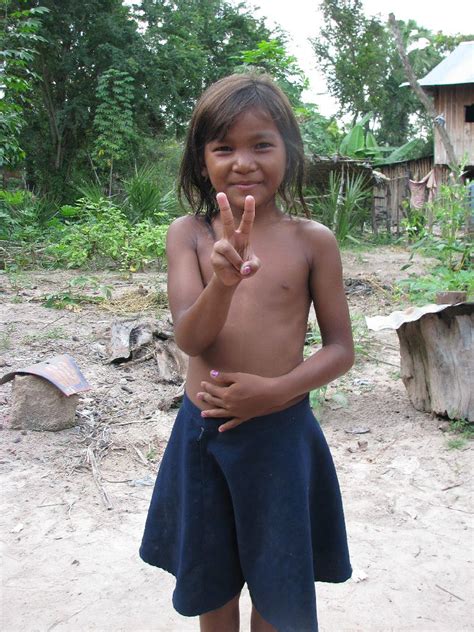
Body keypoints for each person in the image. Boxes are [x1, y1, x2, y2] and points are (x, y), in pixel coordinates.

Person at [140, 73, 354, 632]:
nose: (244, 162)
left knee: (277, 584)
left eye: (262, 144)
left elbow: (340, 349)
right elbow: (189, 338)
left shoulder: (314, 241)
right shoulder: (188, 234)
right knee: (213, 587)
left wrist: (277, 393)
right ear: (201, 159)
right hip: (204, 437)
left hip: (282, 439)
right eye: (224, 148)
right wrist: (224, 281)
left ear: (290, 150)